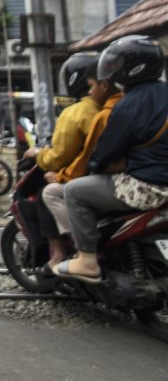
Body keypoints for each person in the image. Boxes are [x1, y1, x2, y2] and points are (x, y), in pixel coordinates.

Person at [58, 35, 168, 283]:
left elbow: (101, 158)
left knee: (74, 191)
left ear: (132, 68)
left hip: (147, 187)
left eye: (116, 64)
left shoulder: (129, 105)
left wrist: (115, 163)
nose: (110, 70)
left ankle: (87, 260)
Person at [41, 59, 122, 267]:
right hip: (147, 176)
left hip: (123, 180)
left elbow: (81, 158)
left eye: (92, 85)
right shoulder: (131, 104)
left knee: (54, 191)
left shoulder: (96, 113)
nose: (91, 89)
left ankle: (85, 253)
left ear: (103, 85)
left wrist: (49, 166)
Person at [24, 52, 102, 267]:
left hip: (90, 175)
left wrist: (39, 155)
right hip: (109, 172)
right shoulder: (111, 105)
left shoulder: (76, 112)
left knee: (46, 194)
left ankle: (65, 252)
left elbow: (58, 157)